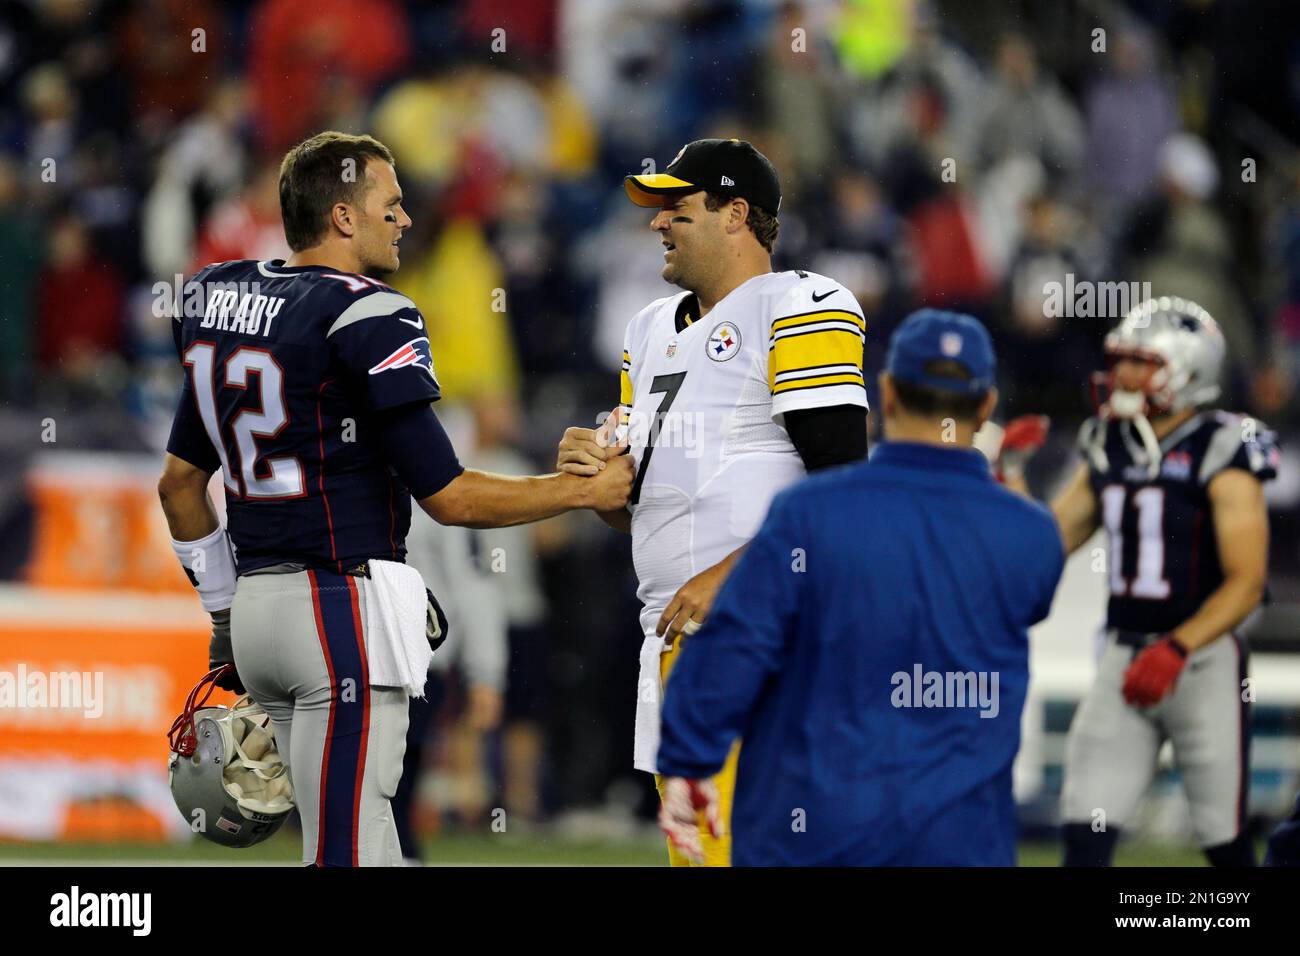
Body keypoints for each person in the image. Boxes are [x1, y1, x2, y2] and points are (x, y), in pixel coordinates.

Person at [156, 131, 632, 867]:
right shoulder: (371, 314)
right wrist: (578, 490)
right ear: (344, 216)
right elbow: (450, 496)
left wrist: (223, 613)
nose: (406, 220)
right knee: (347, 851)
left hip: (257, 613)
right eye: (392, 203)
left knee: (376, 849)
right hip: (336, 612)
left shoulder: (224, 298)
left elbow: (180, 484)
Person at [557, 138, 870, 865]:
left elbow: (843, 490)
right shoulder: (645, 331)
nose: (658, 224)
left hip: (766, 632)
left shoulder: (799, 303)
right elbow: (638, 506)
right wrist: (591, 481)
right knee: (702, 856)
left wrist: (732, 576)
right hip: (674, 633)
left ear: (737, 214)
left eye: (677, 208)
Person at [655, 309, 1064, 865]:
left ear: (887, 393)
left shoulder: (807, 512)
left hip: (812, 833)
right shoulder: (1030, 534)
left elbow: (731, 651)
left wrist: (687, 758)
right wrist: (1005, 479)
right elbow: (1020, 578)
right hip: (958, 843)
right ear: (987, 405)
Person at [1000, 297, 1278, 867]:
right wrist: (1011, 477)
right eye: (1120, 360)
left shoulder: (1224, 445)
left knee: (1226, 848)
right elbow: (1046, 544)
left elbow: (1247, 582)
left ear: (1187, 368)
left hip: (1203, 664)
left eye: (1139, 362)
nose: (1122, 375)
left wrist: (1178, 647)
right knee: (1084, 835)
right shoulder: (1111, 441)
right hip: (1124, 660)